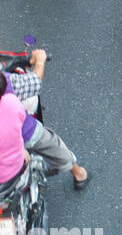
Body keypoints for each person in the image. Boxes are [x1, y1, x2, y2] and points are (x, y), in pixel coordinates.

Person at [1, 54, 91, 190]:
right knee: (52, 144)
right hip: (23, 142)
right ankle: (79, 173)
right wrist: (40, 60)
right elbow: (35, 82)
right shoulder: (10, 101)